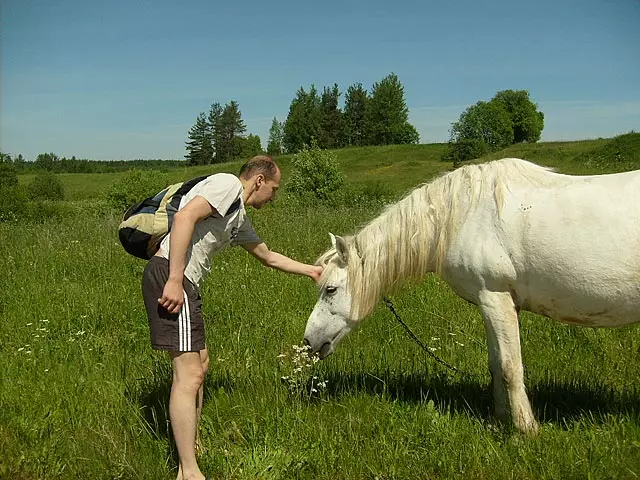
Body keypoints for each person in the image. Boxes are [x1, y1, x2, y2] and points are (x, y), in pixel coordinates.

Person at [141, 155, 322, 480]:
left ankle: (190, 450)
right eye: (274, 190)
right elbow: (183, 217)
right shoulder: (226, 186)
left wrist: (312, 271)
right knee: (190, 375)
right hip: (174, 277)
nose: (274, 198)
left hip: (184, 282)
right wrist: (174, 279)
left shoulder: (236, 216)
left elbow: (268, 257)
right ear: (259, 181)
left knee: (200, 366)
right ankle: (188, 471)